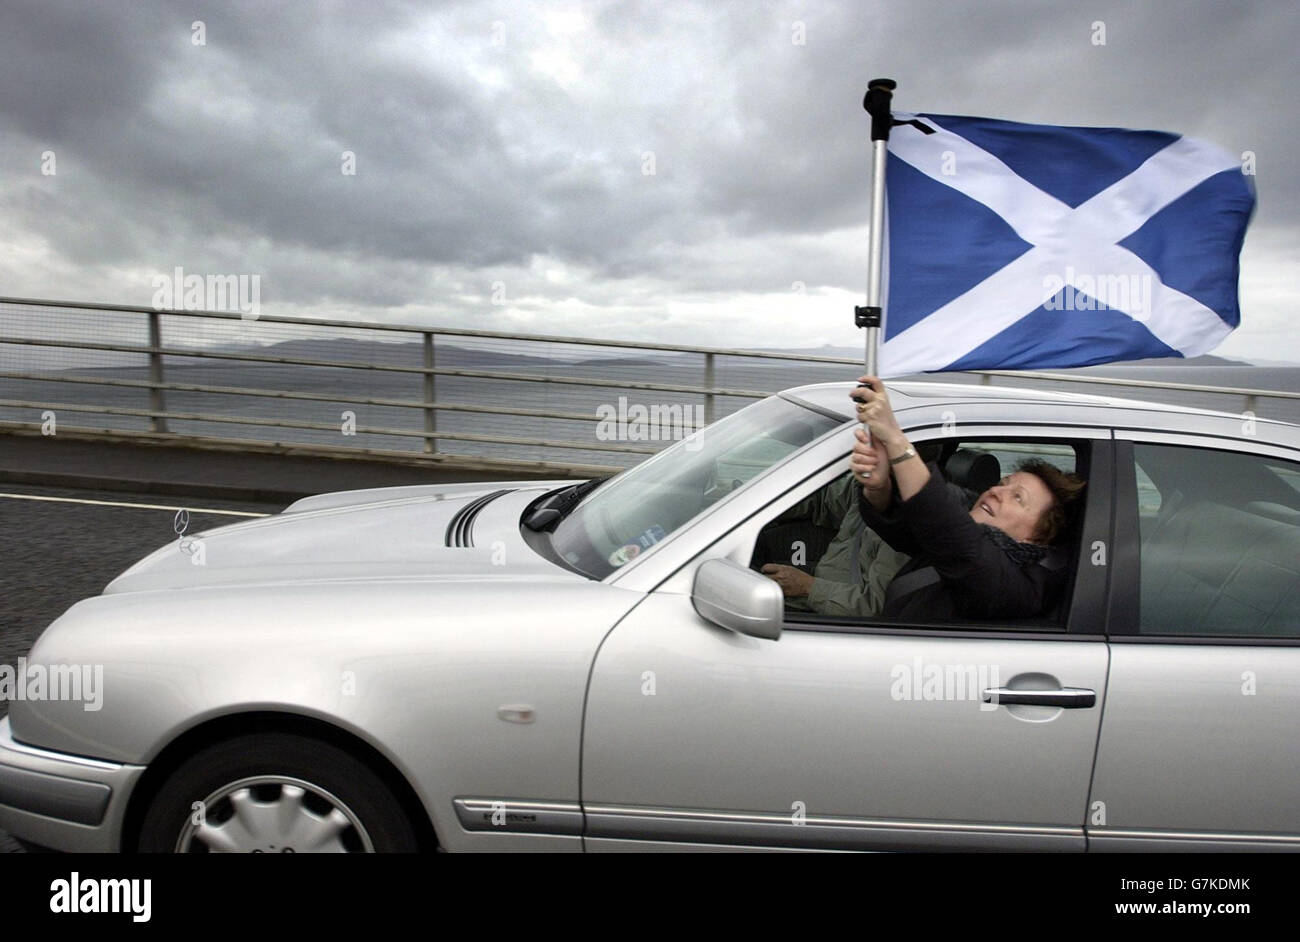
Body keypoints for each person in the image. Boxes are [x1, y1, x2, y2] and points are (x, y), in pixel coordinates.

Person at [848, 376, 1086, 621]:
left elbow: (953, 537)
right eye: (1003, 483)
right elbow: (908, 525)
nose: (997, 491)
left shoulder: (1015, 588)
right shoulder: (958, 539)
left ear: (1036, 537)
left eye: (1017, 497)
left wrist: (895, 439)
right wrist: (878, 487)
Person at [759, 471, 910, 617]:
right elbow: (823, 497)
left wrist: (807, 587)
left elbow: (873, 608)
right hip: (823, 583)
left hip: (833, 614)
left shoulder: (901, 534)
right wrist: (765, 505)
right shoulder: (869, 488)